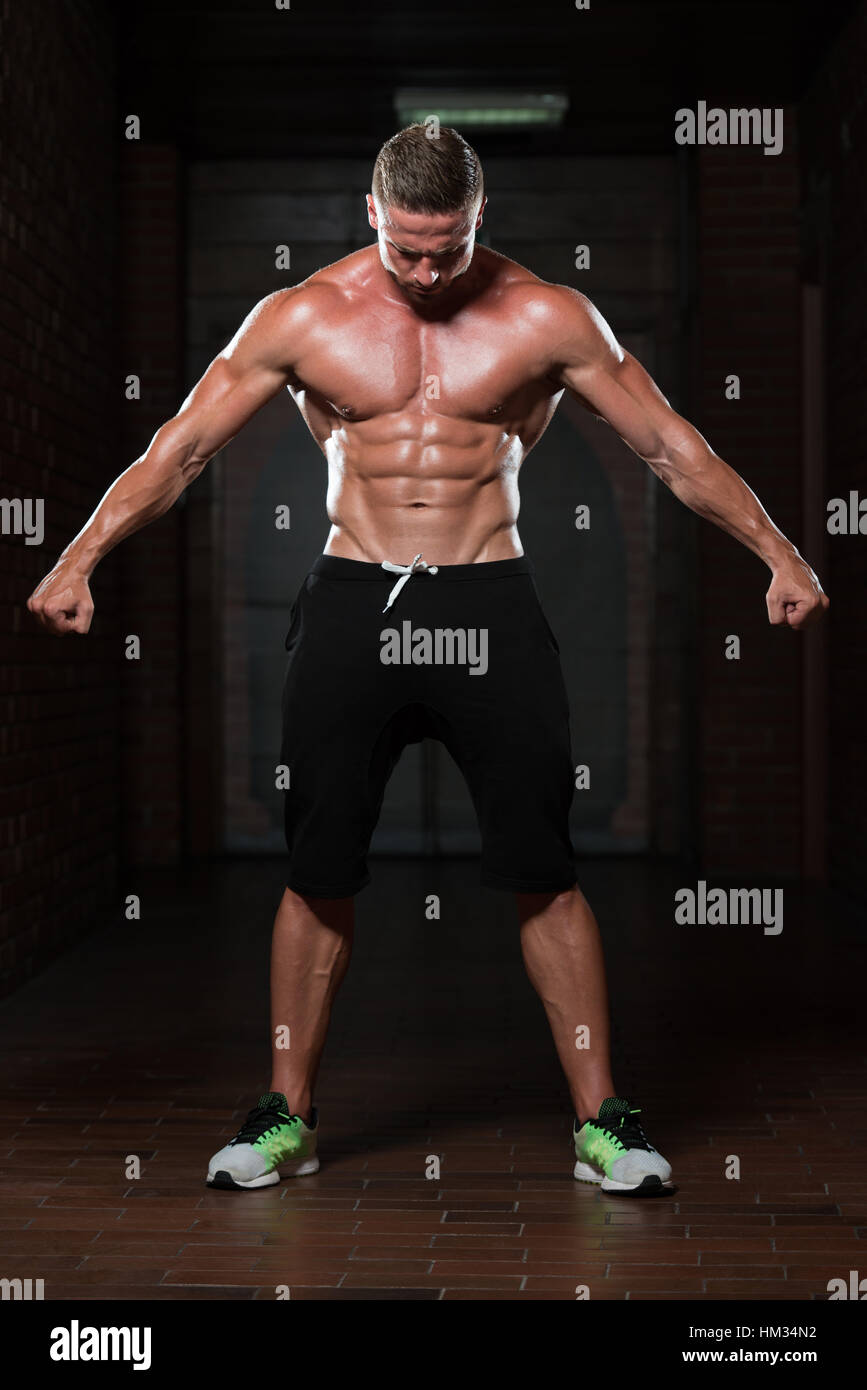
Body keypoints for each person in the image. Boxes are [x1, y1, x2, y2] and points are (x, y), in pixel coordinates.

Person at [27, 125, 829, 1197]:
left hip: (490, 596)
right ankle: (286, 1115)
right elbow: (180, 446)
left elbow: (669, 444)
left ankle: (603, 1120)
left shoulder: (547, 315)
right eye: (407, 248)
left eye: (446, 249)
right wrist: (79, 556)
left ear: (477, 221)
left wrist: (778, 550)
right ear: (372, 213)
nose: (426, 272)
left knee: (544, 870)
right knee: (320, 872)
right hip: (354, 596)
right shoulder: (303, 315)